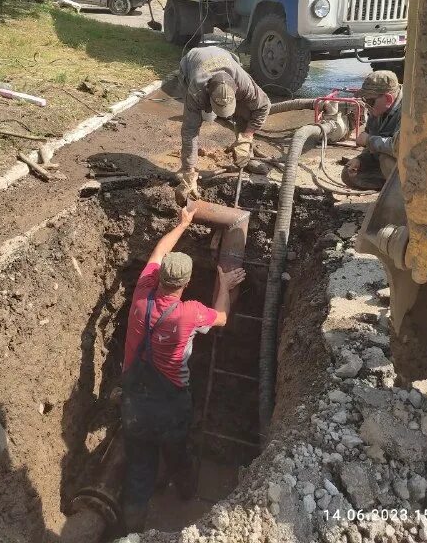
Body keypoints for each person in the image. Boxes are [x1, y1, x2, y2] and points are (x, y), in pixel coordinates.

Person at [121, 205, 245, 532]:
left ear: (159, 276)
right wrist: (222, 282)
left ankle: (130, 528)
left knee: (138, 465)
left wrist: (182, 224)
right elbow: (222, 317)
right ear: (187, 283)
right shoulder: (189, 313)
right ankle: (187, 492)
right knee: (177, 450)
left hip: (134, 401)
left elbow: (159, 251)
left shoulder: (142, 291)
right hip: (170, 405)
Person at [176, 46, 271, 204]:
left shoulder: (244, 84)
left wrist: (246, 138)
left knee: (246, 112)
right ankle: (187, 168)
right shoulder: (196, 91)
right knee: (204, 117)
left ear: (236, 90)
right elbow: (189, 131)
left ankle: (245, 154)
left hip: (225, 57)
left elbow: (264, 106)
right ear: (209, 96)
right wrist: (189, 172)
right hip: (190, 64)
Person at [342, 70, 403, 190]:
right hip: (387, 161)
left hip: (408, 166)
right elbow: (371, 144)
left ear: (388, 99)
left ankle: (400, 198)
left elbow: (400, 148)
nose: (366, 105)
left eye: (369, 101)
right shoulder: (376, 109)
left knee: (386, 161)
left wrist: (369, 140)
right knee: (348, 174)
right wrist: (360, 159)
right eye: (364, 100)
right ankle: (389, 188)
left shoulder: (409, 110)